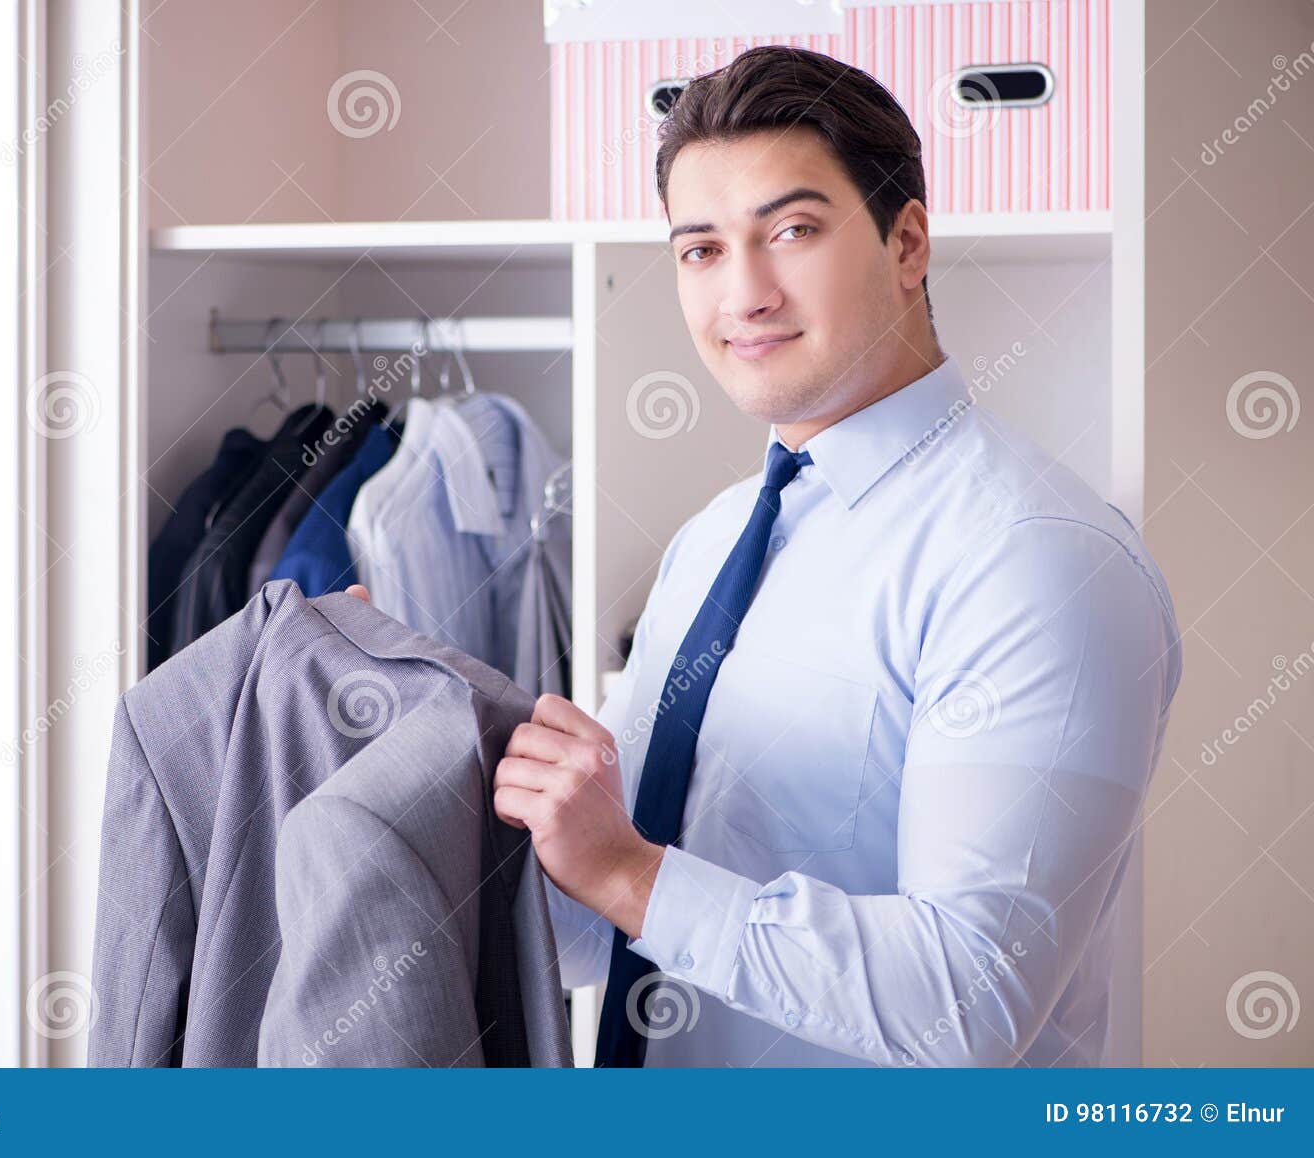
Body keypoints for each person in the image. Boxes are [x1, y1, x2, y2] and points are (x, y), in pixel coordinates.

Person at [352, 45, 1180, 1068]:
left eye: (789, 231)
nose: (742, 294)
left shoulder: (1037, 560)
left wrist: (629, 876)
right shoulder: (712, 543)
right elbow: (602, 927)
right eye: (700, 250)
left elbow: (969, 1006)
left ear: (906, 241)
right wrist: (414, 744)